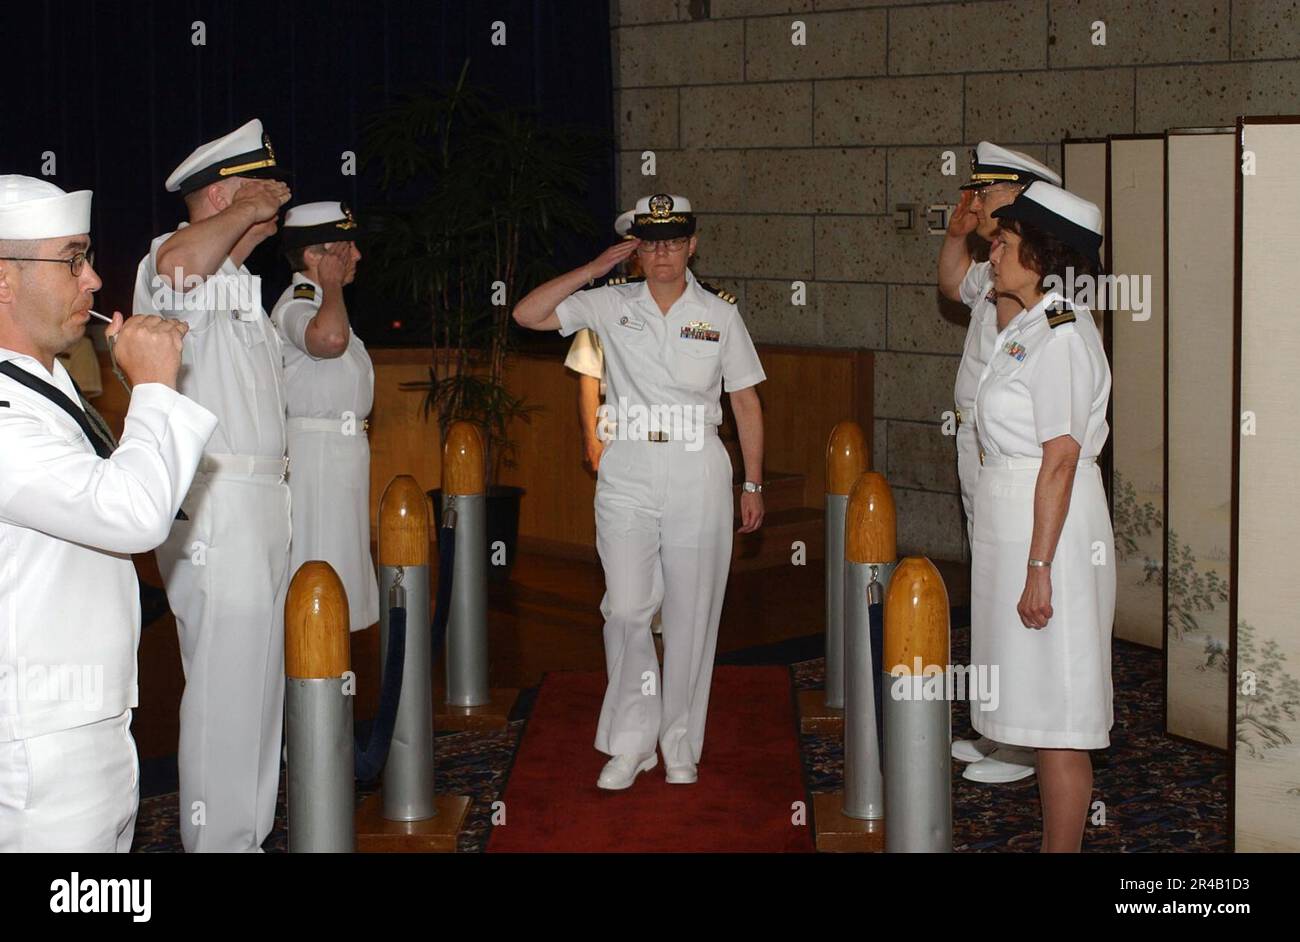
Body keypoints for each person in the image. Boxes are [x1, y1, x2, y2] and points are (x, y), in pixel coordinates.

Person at [514, 193, 765, 789]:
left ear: (692, 245)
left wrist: (752, 480)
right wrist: (594, 269)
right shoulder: (607, 304)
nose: (663, 254)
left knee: (691, 612)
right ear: (635, 248)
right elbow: (527, 314)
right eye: (651, 244)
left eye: (674, 242)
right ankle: (630, 741)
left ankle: (678, 740)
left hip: (698, 465)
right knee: (626, 607)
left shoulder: (720, 314)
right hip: (628, 465)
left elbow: (745, 399)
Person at [0, 175, 216, 851]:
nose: (93, 278)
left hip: (84, 713)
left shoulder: (43, 379)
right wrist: (154, 388)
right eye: (71, 258)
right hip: (39, 733)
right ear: (4, 279)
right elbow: (131, 517)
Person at [132, 118, 293, 852]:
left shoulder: (235, 282)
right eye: (260, 185)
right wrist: (241, 215)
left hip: (262, 501)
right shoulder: (168, 265)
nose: (274, 200)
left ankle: (247, 833)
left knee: (260, 681)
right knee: (226, 685)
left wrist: (248, 229)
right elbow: (174, 269)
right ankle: (217, 841)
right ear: (225, 189)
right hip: (217, 505)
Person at [970, 181, 1114, 852]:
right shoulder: (1027, 323)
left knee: (1061, 714)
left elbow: (1059, 458)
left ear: (1043, 253)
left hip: (1051, 534)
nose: (992, 249)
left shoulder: (1060, 333)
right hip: (1020, 524)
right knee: (1036, 702)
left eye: (1005, 242)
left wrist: (1039, 568)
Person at [938, 142, 1061, 785]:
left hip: (1014, 458)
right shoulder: (996, 261)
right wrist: (959, 237)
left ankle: (1022, 742)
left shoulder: (1039, 275)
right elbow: (951, 286)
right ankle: (997, 726)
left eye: (986, 192)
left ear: (1020, 194)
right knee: (986, 587)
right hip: (979, 445)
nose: (976, 201)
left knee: (1016, 590)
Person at [271, 201, 378, 633]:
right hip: (315, 457)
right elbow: (328, 340)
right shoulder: (300, 301)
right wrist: (331, 285)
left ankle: (329, 669)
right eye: (344, 248)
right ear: (315, 256)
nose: (356, 256)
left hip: (339, 455)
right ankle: (315, 662)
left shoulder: (323, 302)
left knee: (341, 563)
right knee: (320, 562)